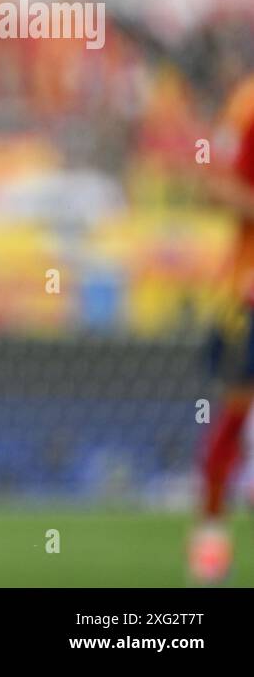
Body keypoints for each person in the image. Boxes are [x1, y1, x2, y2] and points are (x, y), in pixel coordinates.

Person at [190, 72, 254, 584]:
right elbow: (211, 182)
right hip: (249, 291)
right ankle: (210, 542)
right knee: (234, 410)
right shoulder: (247, 102)